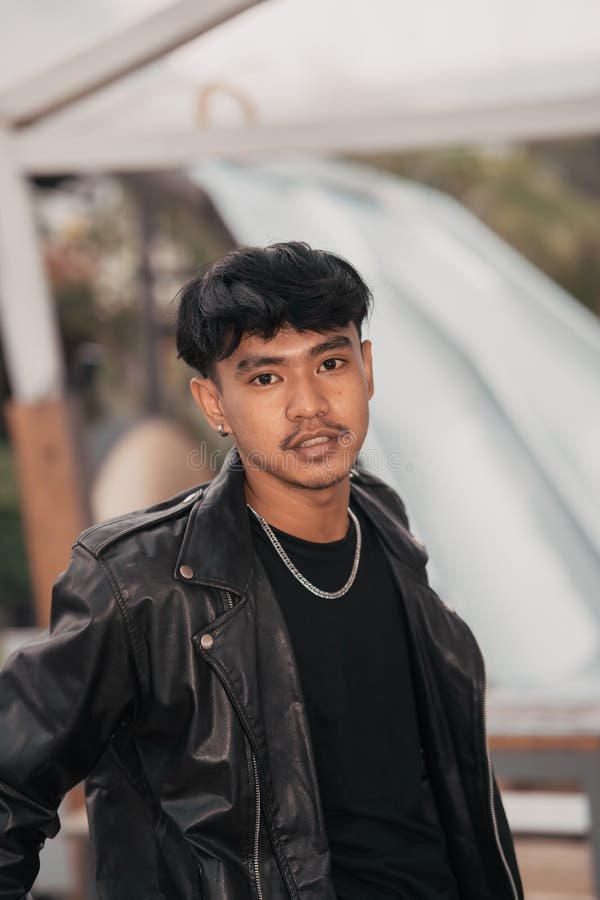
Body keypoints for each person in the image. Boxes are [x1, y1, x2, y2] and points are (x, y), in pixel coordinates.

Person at [0, 241, 523, 900]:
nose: (309, 405)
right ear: (213, 403)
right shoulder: (138, 581)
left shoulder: (388, 530)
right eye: (265, 378)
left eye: (330, 363)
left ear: (365, 369)